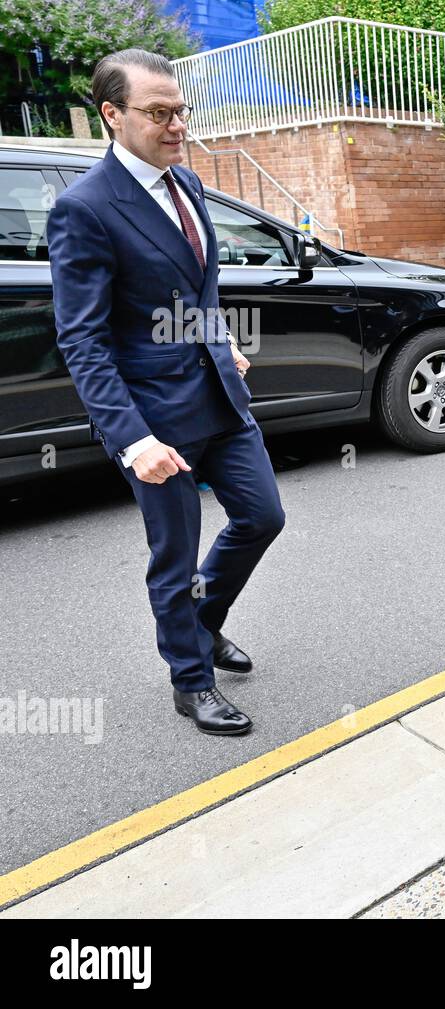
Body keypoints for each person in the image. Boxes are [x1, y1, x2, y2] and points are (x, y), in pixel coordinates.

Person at [47, 50, 284, 736]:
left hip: (218, 393)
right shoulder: (85, 210)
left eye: (181, 110)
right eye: (159, 113)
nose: (177, 124)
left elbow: (198, 287)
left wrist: (220, 340)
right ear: (112, 115)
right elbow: (84, 341)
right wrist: (132, 439)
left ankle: (202, 622)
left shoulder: (189, 184)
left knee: (262, 516)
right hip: (155, 421)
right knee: (174, 555)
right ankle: (190, 679)